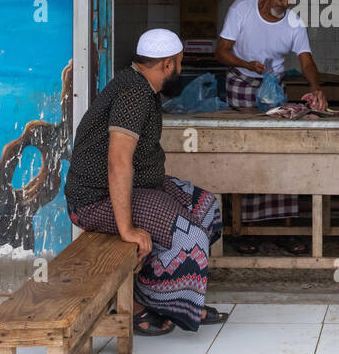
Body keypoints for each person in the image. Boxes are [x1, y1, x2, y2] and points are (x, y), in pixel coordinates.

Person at [63, 28, 229, 336]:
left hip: (139, 187)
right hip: (95, 200)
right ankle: (156, 304)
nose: (180, 70)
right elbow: (118, 161)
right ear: (168, 64)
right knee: (188, 237)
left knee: (206, 208)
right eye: (179, 63)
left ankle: (150, 294)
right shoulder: (134, 94)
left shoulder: (140, 86)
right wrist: (126, 229)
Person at [216, 0, 329, 256]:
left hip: (274, 90)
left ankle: (285, 229)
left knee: (280, 154)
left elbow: (306, 61)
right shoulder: (241, 9)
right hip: (241, 84)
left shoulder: (294, 23)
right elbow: (222, 51)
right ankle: (241, 229)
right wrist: (246, 63)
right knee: (245, 155)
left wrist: (315, 86)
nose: (287, 0)